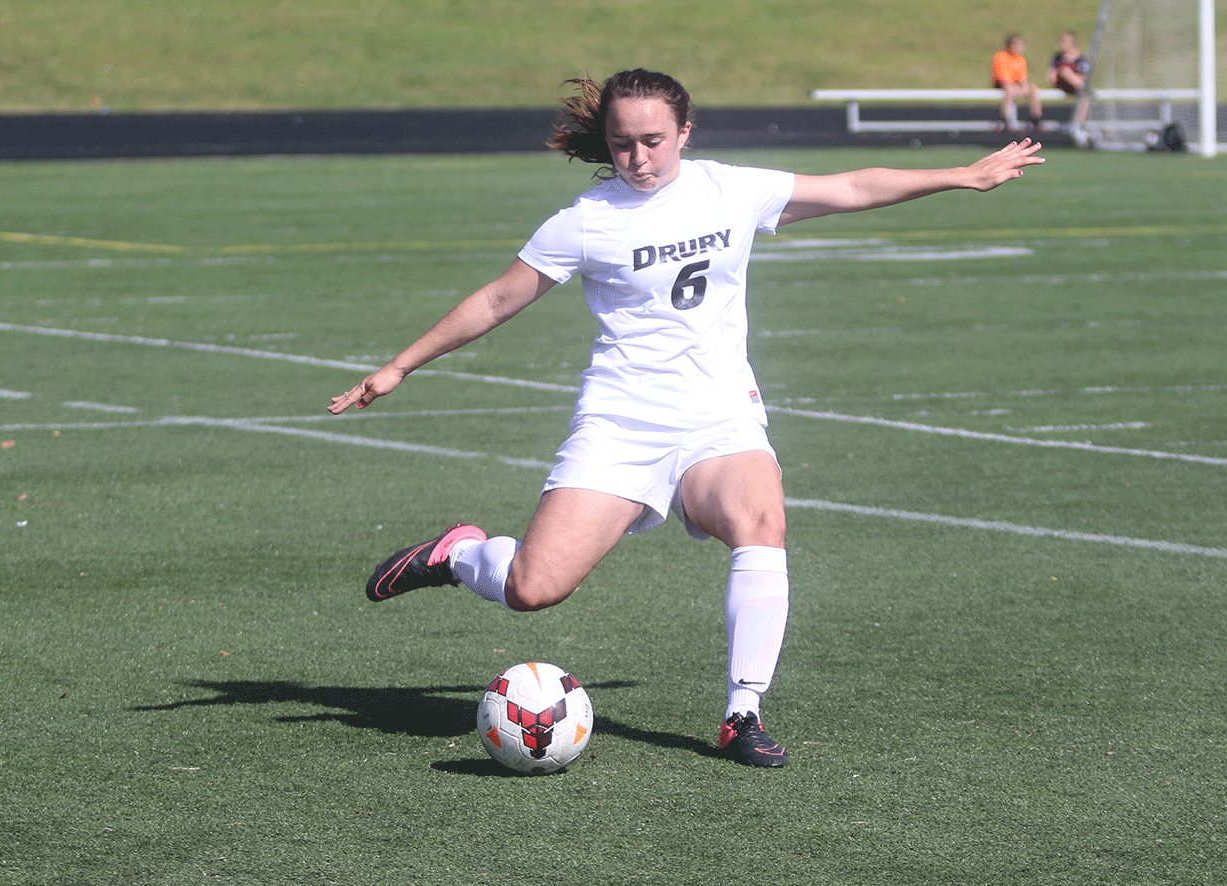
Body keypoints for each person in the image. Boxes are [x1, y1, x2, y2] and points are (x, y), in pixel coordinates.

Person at [329, 69, 1044, 768]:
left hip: (719, 419)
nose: (638, 157)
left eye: (653, 140)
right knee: (532, 589)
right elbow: (496, 301)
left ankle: (743, 714)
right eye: (622, 144)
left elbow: (852, 187)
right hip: (622, 425)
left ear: (685, 132)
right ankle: (458, 554)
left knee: (761, 521)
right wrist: (400, 364)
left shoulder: (732, 189)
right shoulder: (586, 222)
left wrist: (963, 175)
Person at [990, 33, 1042, 132]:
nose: (1021, 48)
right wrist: (1018, 89)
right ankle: (1004, 120)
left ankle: (1036, 118)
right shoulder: (1000, 57)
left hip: (1015, 85)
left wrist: (1024, 89)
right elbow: (1003, 79)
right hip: (1003, 84)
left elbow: (1023, 80)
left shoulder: (1020, 59)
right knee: (1010, 90)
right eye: (1018, 45)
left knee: (1033, 88)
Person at [1049, 30, 1093, 143]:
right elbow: (1051, 77)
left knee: (1084, 94)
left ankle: (1078, 124)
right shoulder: (1057, 58)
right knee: (1065, 71)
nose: (1061, 44)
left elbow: (1084, 77)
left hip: (1076, 88)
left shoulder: (1080, 59)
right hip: (1063, 86)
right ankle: (1085, 90)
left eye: (1064, 42)